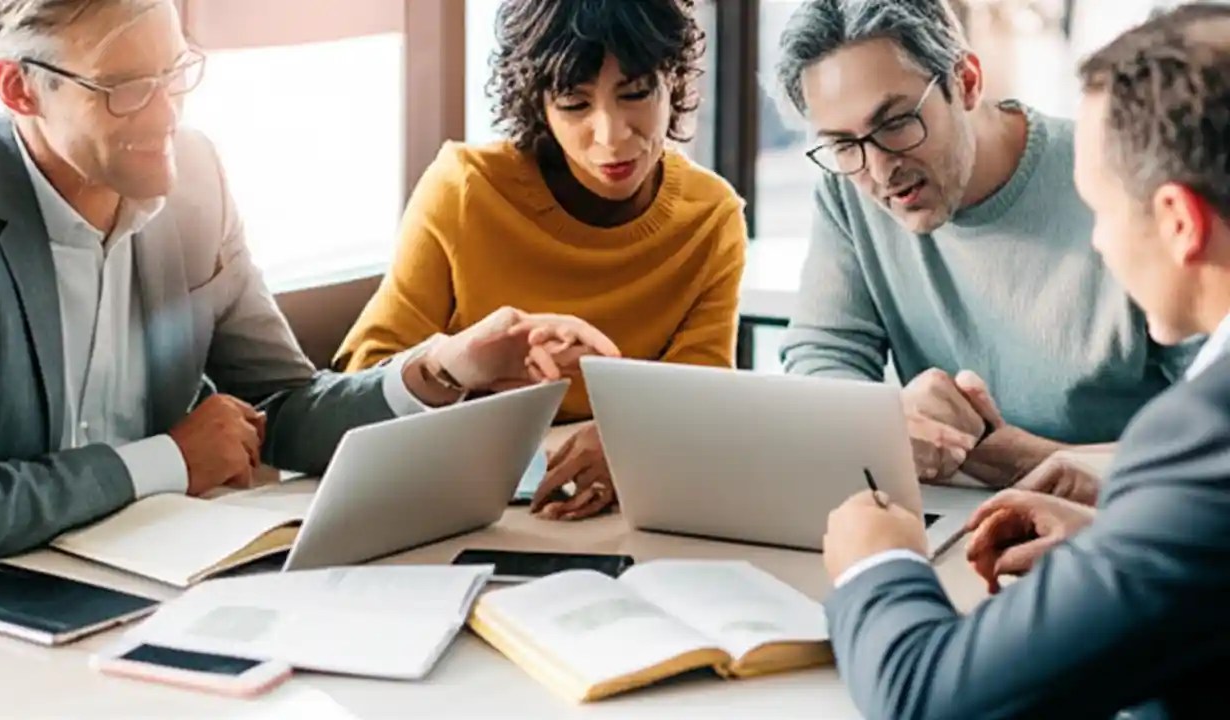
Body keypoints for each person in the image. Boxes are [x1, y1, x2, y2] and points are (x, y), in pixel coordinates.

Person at [0, 0, 618, 569]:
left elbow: (283, 408)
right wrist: (168, 461)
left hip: (157, 578)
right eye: (125, 88)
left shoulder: (194, 178)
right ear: (19, 90)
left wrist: (443, 367)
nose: (165, 116)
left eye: (175, 72)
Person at [822, 5, 1230, 717]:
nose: (1096, 243)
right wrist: (1118, 544)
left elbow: (928, 698)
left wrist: (877, 560)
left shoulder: (1204, 434)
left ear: (1178, 222)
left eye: (1100, 211)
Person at [334, 0, 748, 522]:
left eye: (636, 93)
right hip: (461, 495)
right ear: (539, 105)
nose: (611, 134)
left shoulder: (710, 217)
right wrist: (463, 369)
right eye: (574, 104)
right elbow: (364, 379)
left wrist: (629, 440)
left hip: (625, 507)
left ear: (675, 80)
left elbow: (702, 399)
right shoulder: (466, 191)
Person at [773, 0, 1198, 502]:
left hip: (1120, 512)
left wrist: (1038, 459)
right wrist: (884, 422)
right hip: (951, 510)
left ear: (967, 82)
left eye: (896, 123)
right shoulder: (847, 193)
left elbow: (1215, 430)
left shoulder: (1120, 180)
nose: (881, 171)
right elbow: (822, 357)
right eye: (844, 145)